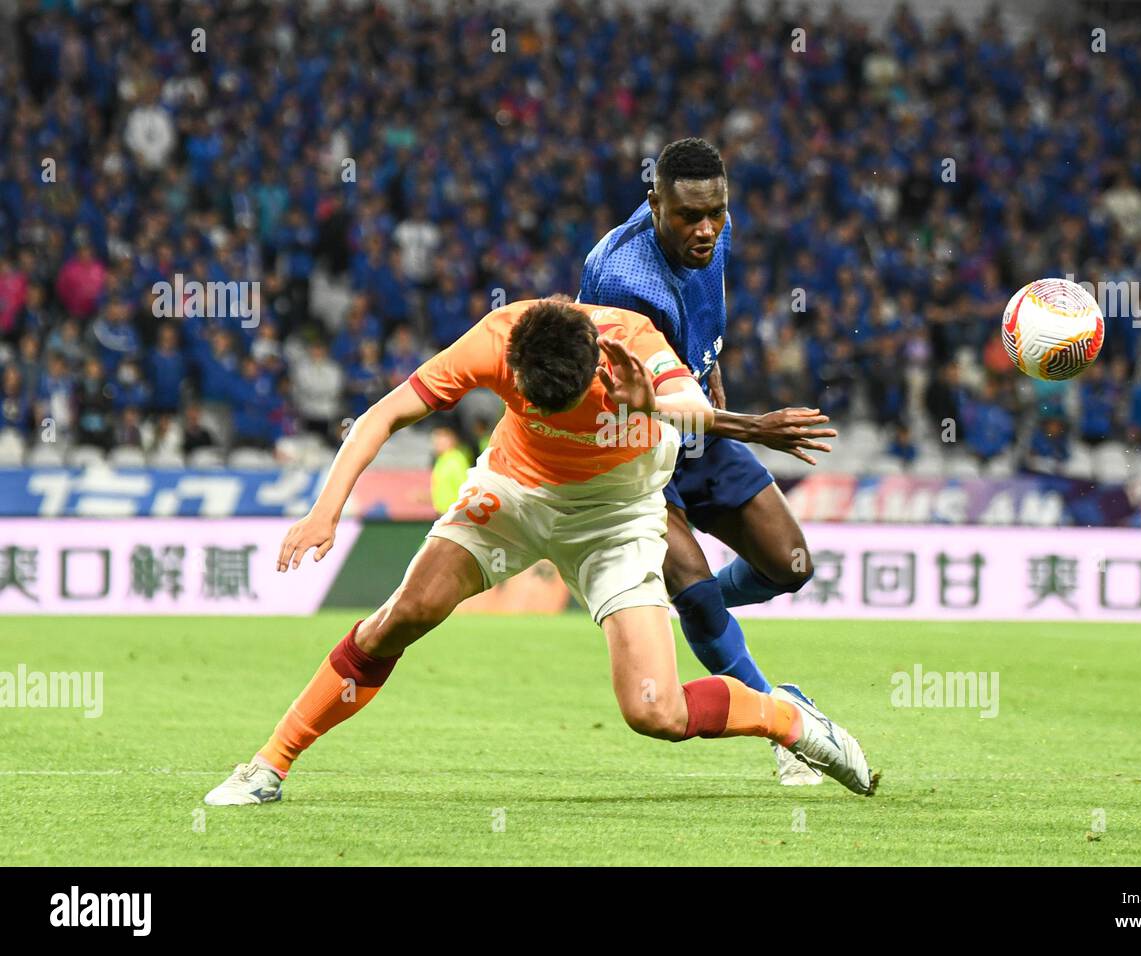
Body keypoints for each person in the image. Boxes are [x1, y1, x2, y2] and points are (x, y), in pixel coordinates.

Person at [203, 297, 877, 805]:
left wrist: (661, 405)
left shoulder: (632, 344)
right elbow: (383, 414)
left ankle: (786, 717)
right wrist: (325, 511)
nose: (548, 413)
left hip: (617, 513)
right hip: (515, 491)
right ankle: (269, 765)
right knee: (403, 614)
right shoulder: (496, 338)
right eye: (533, 401)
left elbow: (693, 404)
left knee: (655, 711)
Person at [579, 138, 840, 786]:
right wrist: (757, 427)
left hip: (699, 425)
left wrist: (710, 366)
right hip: (629, 445)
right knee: (693, 583)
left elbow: (693, 328)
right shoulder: (621, 281)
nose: (705, 229)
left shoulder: (712, 228)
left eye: (715, 213)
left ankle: (694, 609)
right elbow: (645, 404)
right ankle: (785, 718)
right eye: (687, 216)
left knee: (791, 565)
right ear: (654, 203)